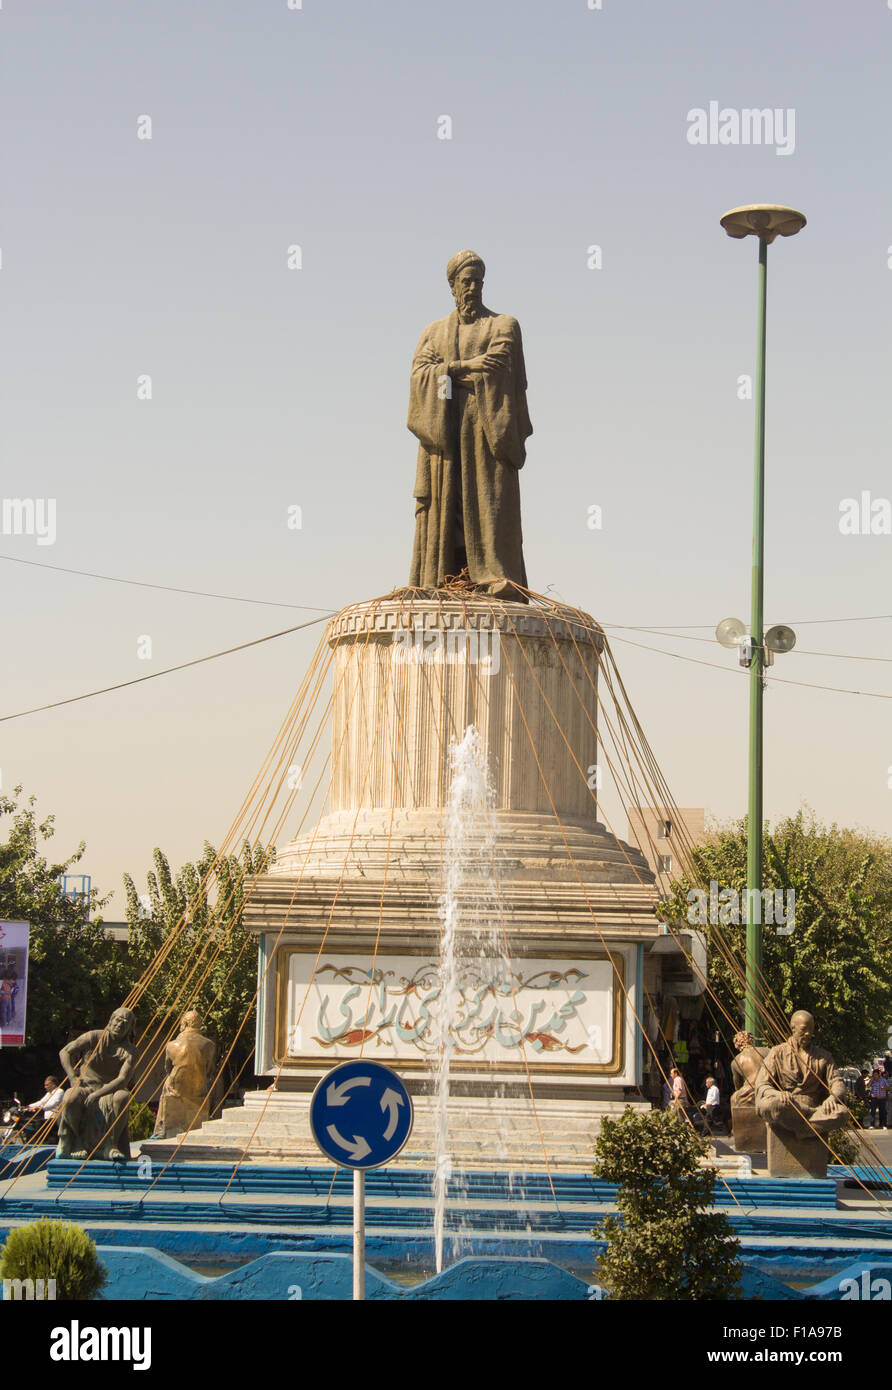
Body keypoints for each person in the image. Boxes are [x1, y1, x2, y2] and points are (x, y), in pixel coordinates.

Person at [408, 250, 533, 600]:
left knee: (488, 504)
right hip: (445, 435)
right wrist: (463, 369)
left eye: (478, 281)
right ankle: (444, 575)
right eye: (466, 281)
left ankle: (492, 573)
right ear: (452, 286)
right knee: (447, 506)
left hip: (486, 434)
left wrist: (450, 369)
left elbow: (497, 368)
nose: (473, 288)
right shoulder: (433, 333)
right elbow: (422, 379)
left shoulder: (504, 325)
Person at [18, 1075, 65, 1141]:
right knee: (32, 1123)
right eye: (45, 1085)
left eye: (47, 1085)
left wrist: (38, 1108)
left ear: (53, 1085)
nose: (45, 1087)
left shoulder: (59, 1091)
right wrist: (28, 1106)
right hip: (47, 1118)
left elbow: (52, 1104)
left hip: (55, 1118)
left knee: (39, 1125)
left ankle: (37, 1142)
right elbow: (41, 1102)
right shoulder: (49, 1093)